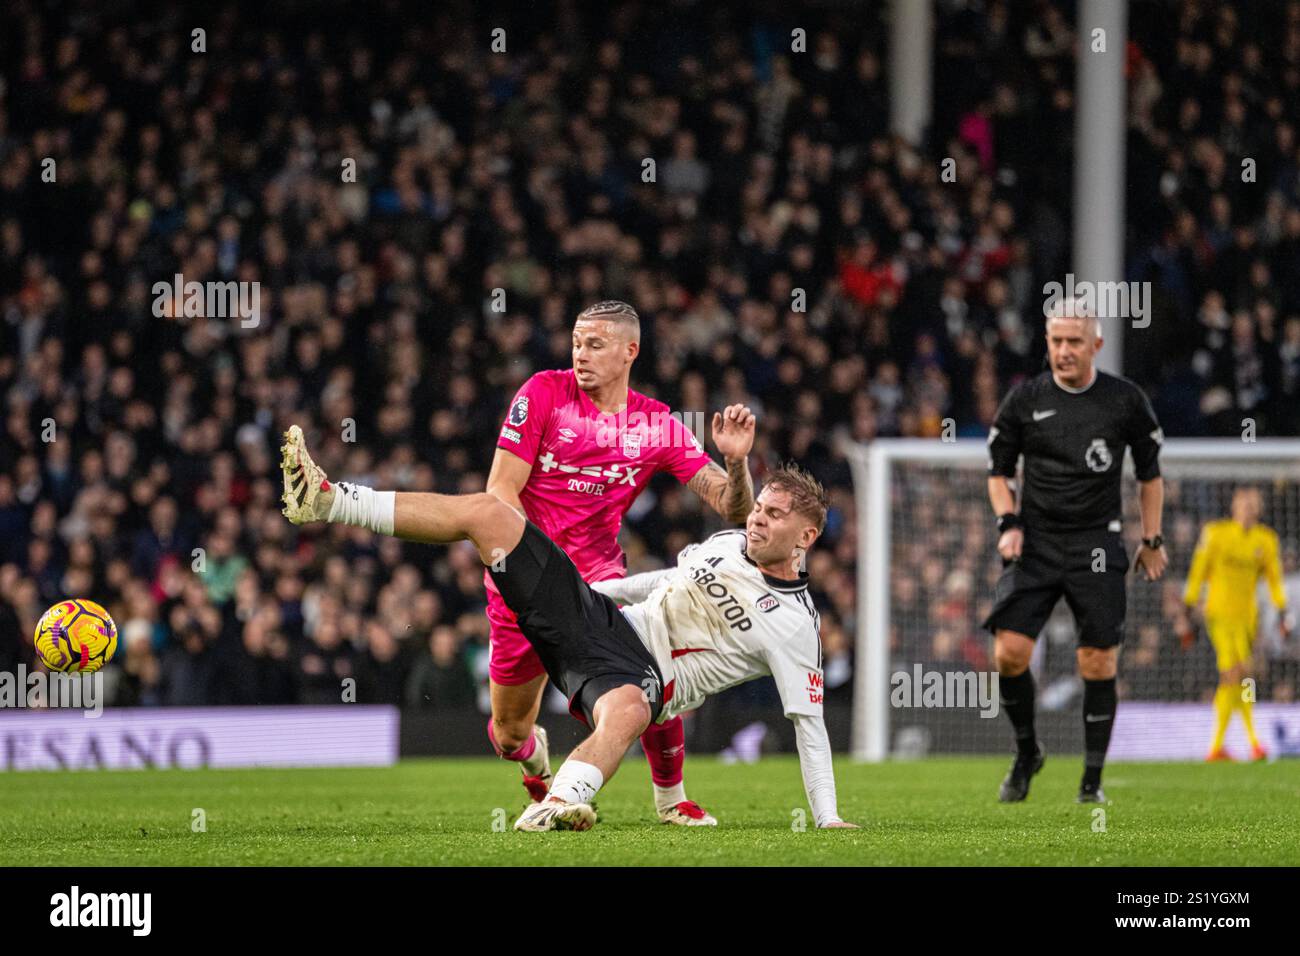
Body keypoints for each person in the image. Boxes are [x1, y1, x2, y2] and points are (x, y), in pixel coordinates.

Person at [280, 427, 854, 832]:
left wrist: (826, 817)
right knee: (491, 515)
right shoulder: (729, 542)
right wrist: (583, 593)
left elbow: (810, 727)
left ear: (805, 538)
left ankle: (557, 805)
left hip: (640, 678)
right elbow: (659, 583)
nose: (757, 517)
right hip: (601, 621)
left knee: (629, 709)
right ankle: (329, 500)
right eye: (760, 508)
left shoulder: (797, 626)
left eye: (775, 515)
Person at [481, 299, 758, 825]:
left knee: (647, 669)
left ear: (630, 351)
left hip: (597, 582)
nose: (580, 354)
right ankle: (532, 758)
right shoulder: (542, 392)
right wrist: (536, 572)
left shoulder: (656, 426)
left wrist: (738, 462)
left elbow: (732, 506)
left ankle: (672, 800)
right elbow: (499, 492)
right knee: (508, 731)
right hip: (521, 582)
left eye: (595, 344)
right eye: (576, 343)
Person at [984, 301, 1168, 803]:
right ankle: (1027, 753)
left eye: (1074, 342)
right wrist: (1009, 523)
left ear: (1096, 346)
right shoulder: (1024, 401)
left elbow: (1150, 478)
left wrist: (1152, 540)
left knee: (1097, 662)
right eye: (1056, 341)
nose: (1063, 351)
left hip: (1098, 542)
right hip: (1036, 542)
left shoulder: (1126, 401)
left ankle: (1091, 781)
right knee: (1010, 653)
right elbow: (998, 473)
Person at [1181, 486, 1293, 761]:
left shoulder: (1266, 540)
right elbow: (1199, 568)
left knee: (1240, 678)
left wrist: (1281, 610)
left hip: (1247, 617)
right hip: (1219, 613)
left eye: (1253, 505)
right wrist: (1189, 603)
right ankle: (1251, 742)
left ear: (1259, 509)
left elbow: (1274, 578)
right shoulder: (1216, 534)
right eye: (1243, 504)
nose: (1247, 509)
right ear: (1233, 506)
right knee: (1237, 671)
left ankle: (1220, 747)